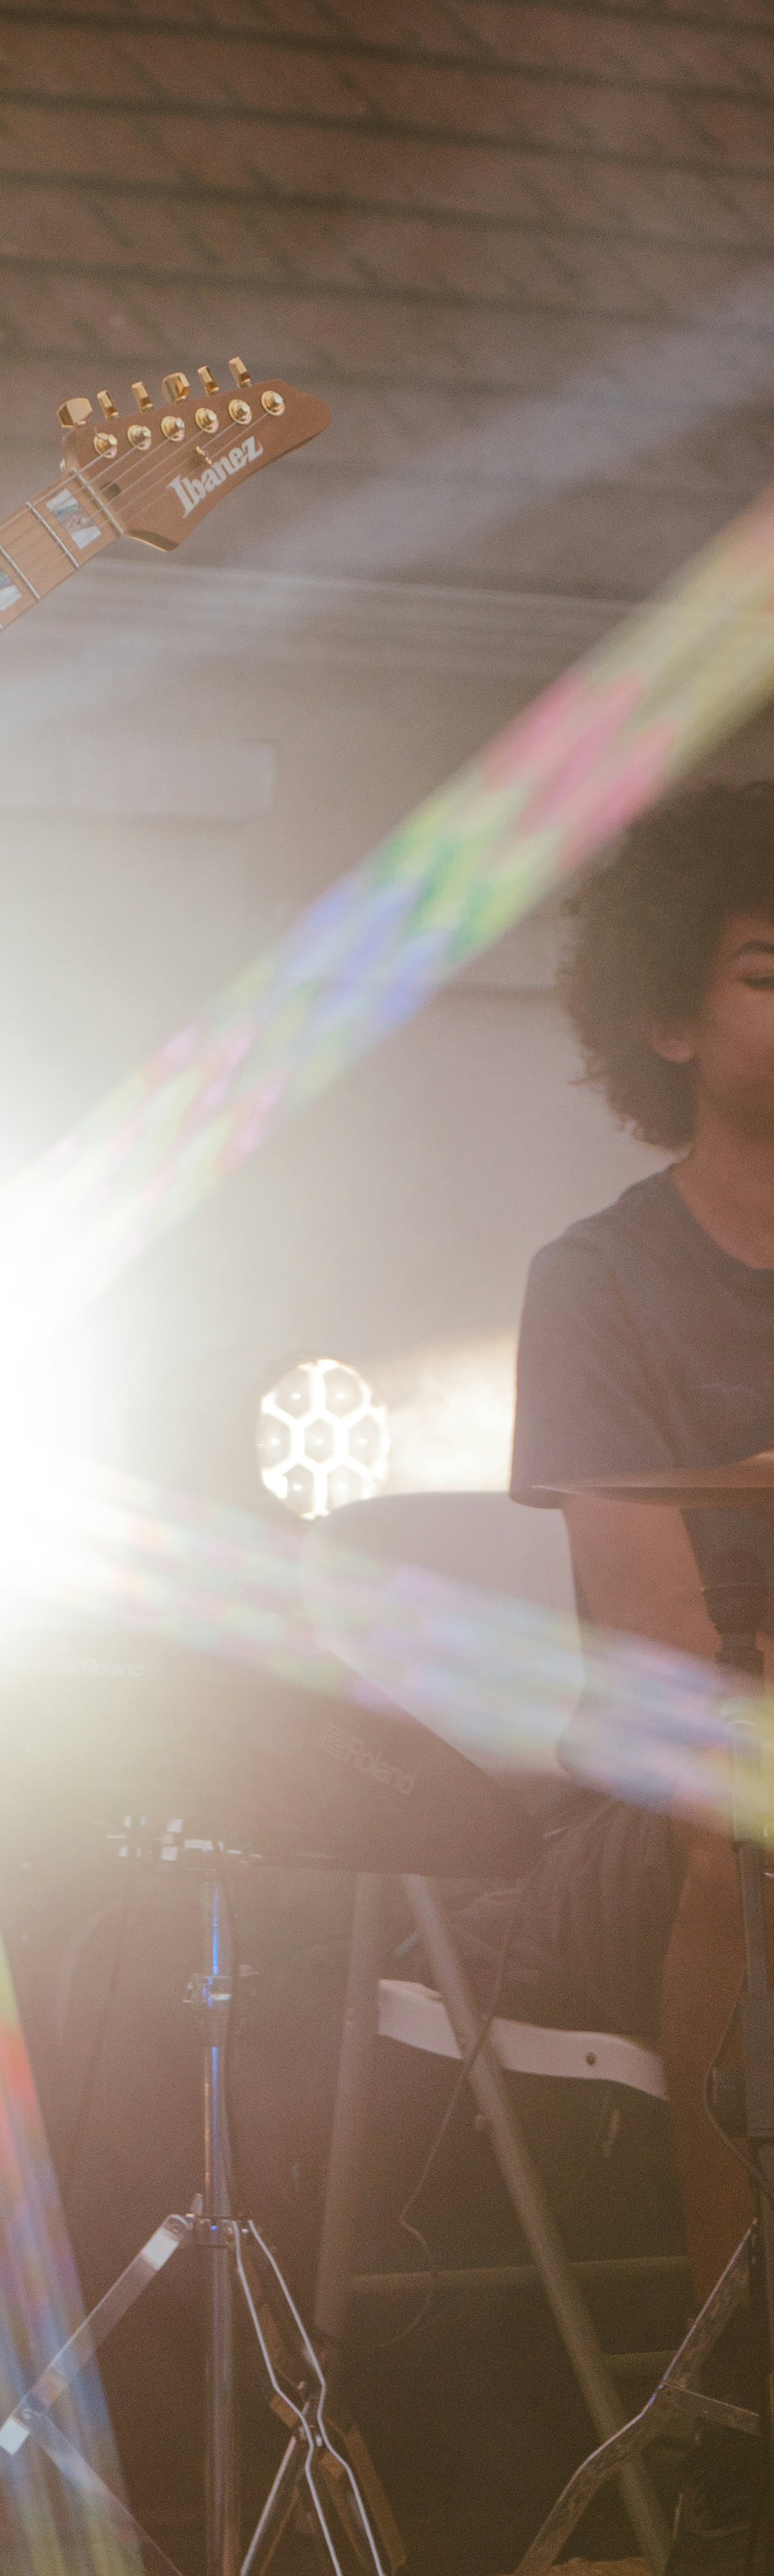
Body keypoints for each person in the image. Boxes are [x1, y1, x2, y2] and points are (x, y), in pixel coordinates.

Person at [510, 778, 774, 2295]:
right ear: (665, 1024)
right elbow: (666, 1671)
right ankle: (735, 2378)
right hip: (655, 1811)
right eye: (767, 972)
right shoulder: (597, 1280)